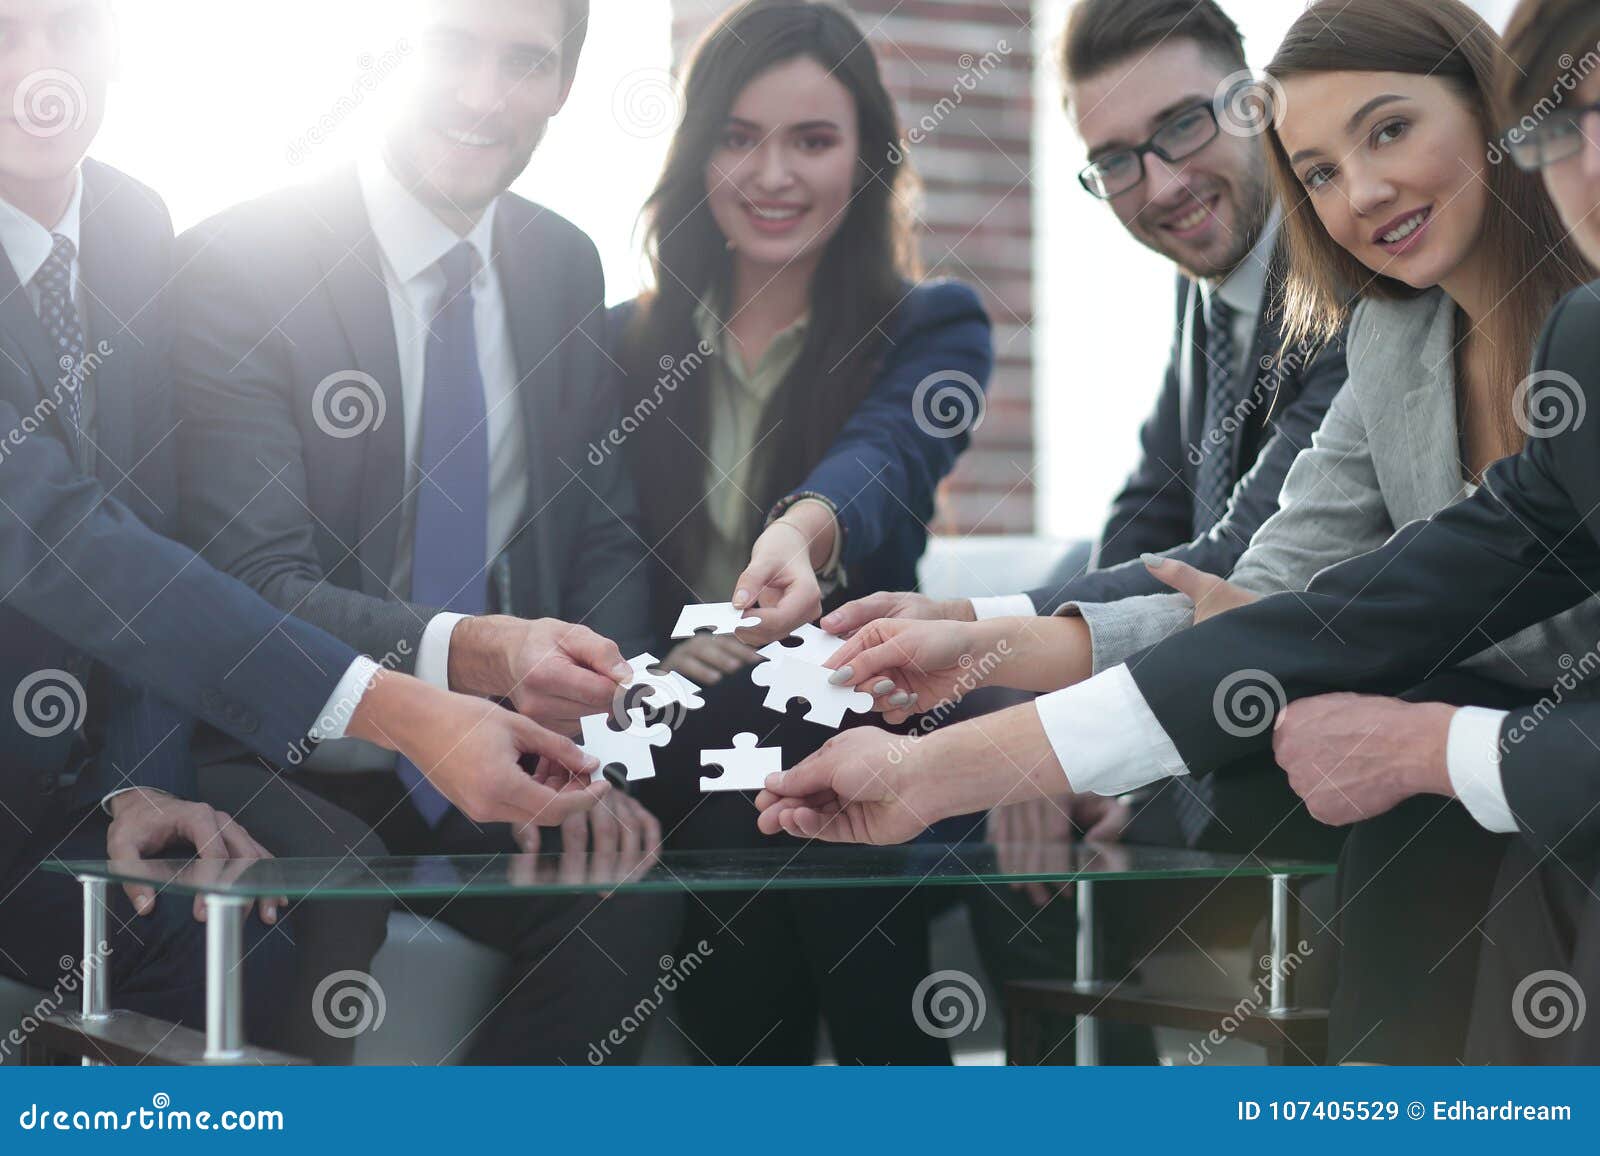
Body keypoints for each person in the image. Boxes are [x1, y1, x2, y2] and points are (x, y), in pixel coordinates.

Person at [755, 0, 1600, 1064]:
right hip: (1467, 816)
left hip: (1530, 793)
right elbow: (1295, 600)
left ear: (1494, 117)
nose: (1363, 191)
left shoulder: (1570, 331)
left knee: (1361, 759)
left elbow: (1302, 613)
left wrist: (1428, 739)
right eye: (1323, 172)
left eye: (1389, 131)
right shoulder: (1394, 334)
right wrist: (964, 713)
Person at [0, 0, 605, 1058]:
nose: (39, 70)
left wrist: (133, 783)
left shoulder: (132, 223)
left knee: (230, 926)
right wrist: (415, 707)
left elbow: (153, 536)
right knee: (218, 940)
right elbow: (64, 538)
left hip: (79, 785)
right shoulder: (242, 259)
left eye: (69, 26)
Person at [172, 0, 680, 1064]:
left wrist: (598, 726)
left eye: (525, 62)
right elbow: (255, 582)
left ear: (565, 83)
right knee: (330, 899)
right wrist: (481, 654)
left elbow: (602, 531)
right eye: (453, 47)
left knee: (625, 899)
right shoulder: (243, 263)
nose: (484, 96)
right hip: (284, 744)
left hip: (488, 752)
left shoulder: (558, 264)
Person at [821, 0, 1349, 858]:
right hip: (1215, 690)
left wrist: (993, 662)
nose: (1163, 185)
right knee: (986, 849)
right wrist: (1044, 722)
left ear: (1255, 102)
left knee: (1010, 842)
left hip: (1316, 714)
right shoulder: (1206, 280)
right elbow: (1152, 505)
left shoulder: (1345, 270)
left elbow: (1233, 561)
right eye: (1116, 162)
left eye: (1183, 124)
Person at [611, 0, 990, 1064]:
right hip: (670, 731)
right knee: (756, 788)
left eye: (813, 140)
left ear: (866, 158)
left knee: (809, 770)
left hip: (859, 718)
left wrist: (806, 527)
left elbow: (889, 450)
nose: (771, 173)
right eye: (738, 136)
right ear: (697, 153)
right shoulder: (618, 349)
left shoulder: (932, 324)